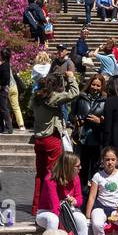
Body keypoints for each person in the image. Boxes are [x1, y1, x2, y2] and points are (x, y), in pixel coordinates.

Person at [30, 69, 79, 214]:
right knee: (52, 174)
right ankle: (52, 204)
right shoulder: (53, 98)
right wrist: (71, 78)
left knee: (40, 174)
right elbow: (74, 93)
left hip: (38, 140)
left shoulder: (35, 97)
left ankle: (36, 206)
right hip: (52, 138)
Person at [36, 152, 92, 235]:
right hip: (46, 212)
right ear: (68, 166)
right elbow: (55, 205)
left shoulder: (75, 178)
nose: (80, 168)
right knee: (53, 219)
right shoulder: (50, 179)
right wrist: (67, 229)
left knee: (81, 219)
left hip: (68, 210)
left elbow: (80, 199)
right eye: (77, 166)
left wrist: (74, 201)